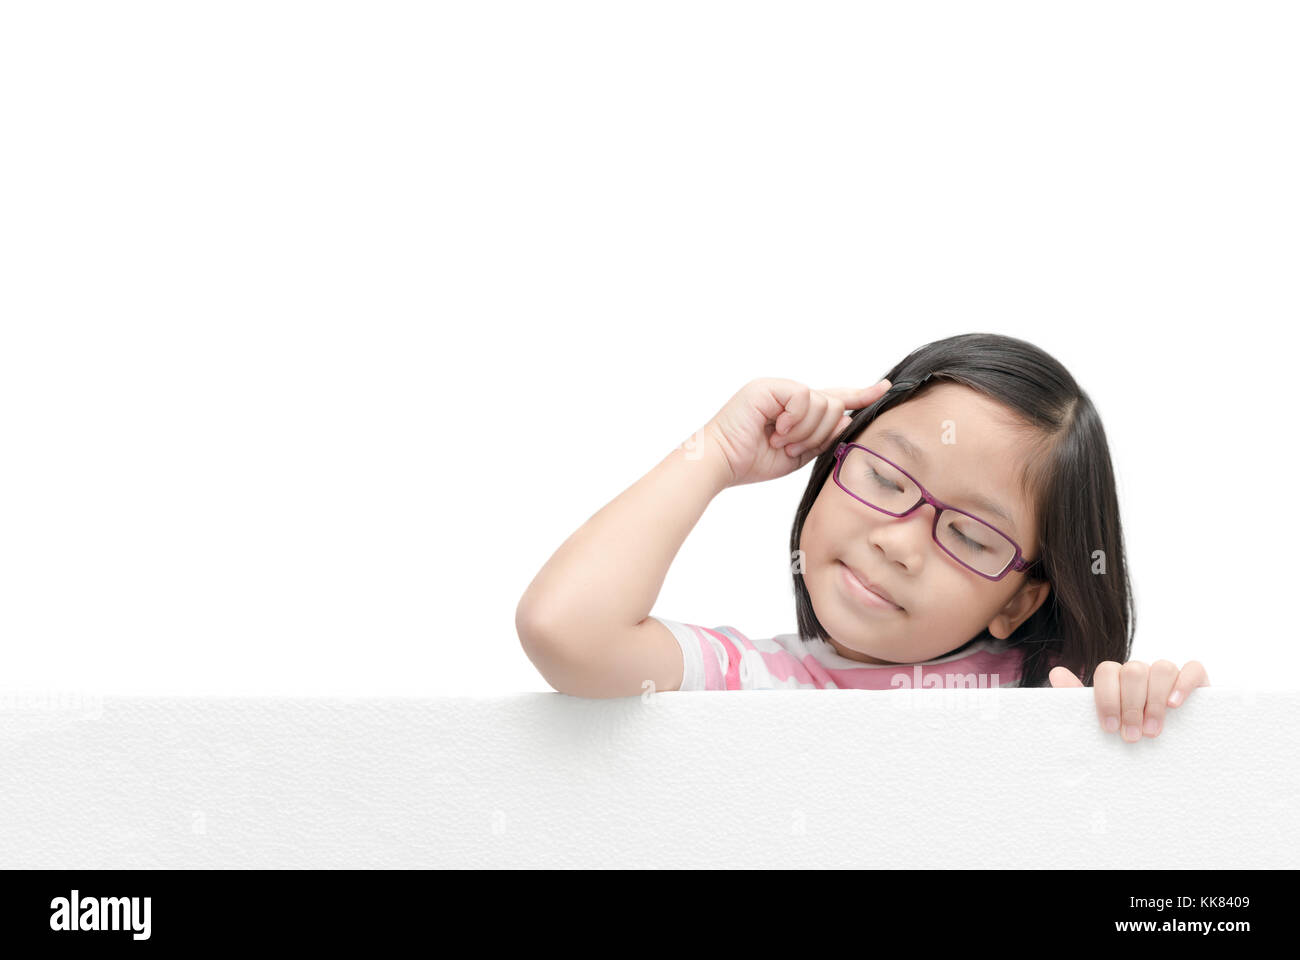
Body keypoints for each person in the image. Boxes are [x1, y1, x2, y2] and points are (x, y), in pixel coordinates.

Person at [516, 332, 1208, 744]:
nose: (900, 543)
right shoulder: (746, 683)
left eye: (969, 534)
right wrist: (720, 454)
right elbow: (565, 628)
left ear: (1019, 603)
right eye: (885, 478)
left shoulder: (1049, 704)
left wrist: (1143, 717)